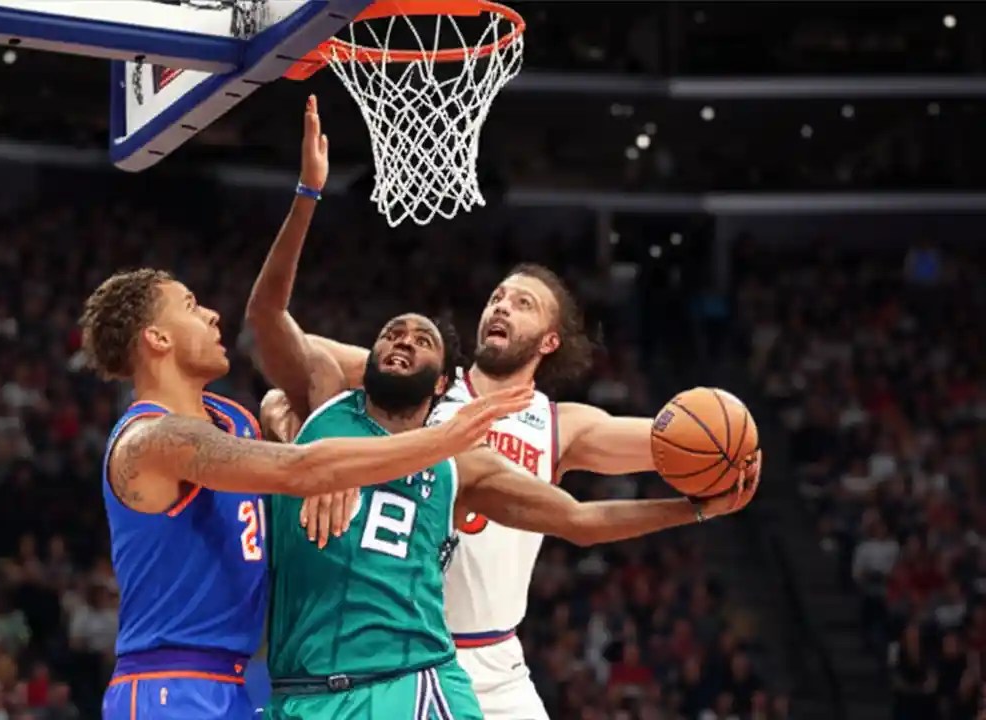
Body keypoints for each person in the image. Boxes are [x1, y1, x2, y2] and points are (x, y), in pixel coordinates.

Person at [243, 96, 761, 720]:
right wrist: (297, 417)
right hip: (393, 653)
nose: (500, 307)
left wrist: (716, 480)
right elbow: (289, 354)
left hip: (494, 661)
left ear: (549, 340)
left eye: (521, 303)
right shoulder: (428, 385)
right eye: (497, 297)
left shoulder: (562, 426)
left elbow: (672, 441)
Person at [78, 266, 529, 720]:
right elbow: (300, 468)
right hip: (167, 685)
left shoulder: (233, 420)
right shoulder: (152, 439)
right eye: (192, 307)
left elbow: (289, 427)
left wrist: (301, 436)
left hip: (237, 684)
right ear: (158, 338)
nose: (214, 316)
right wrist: (447, 436)